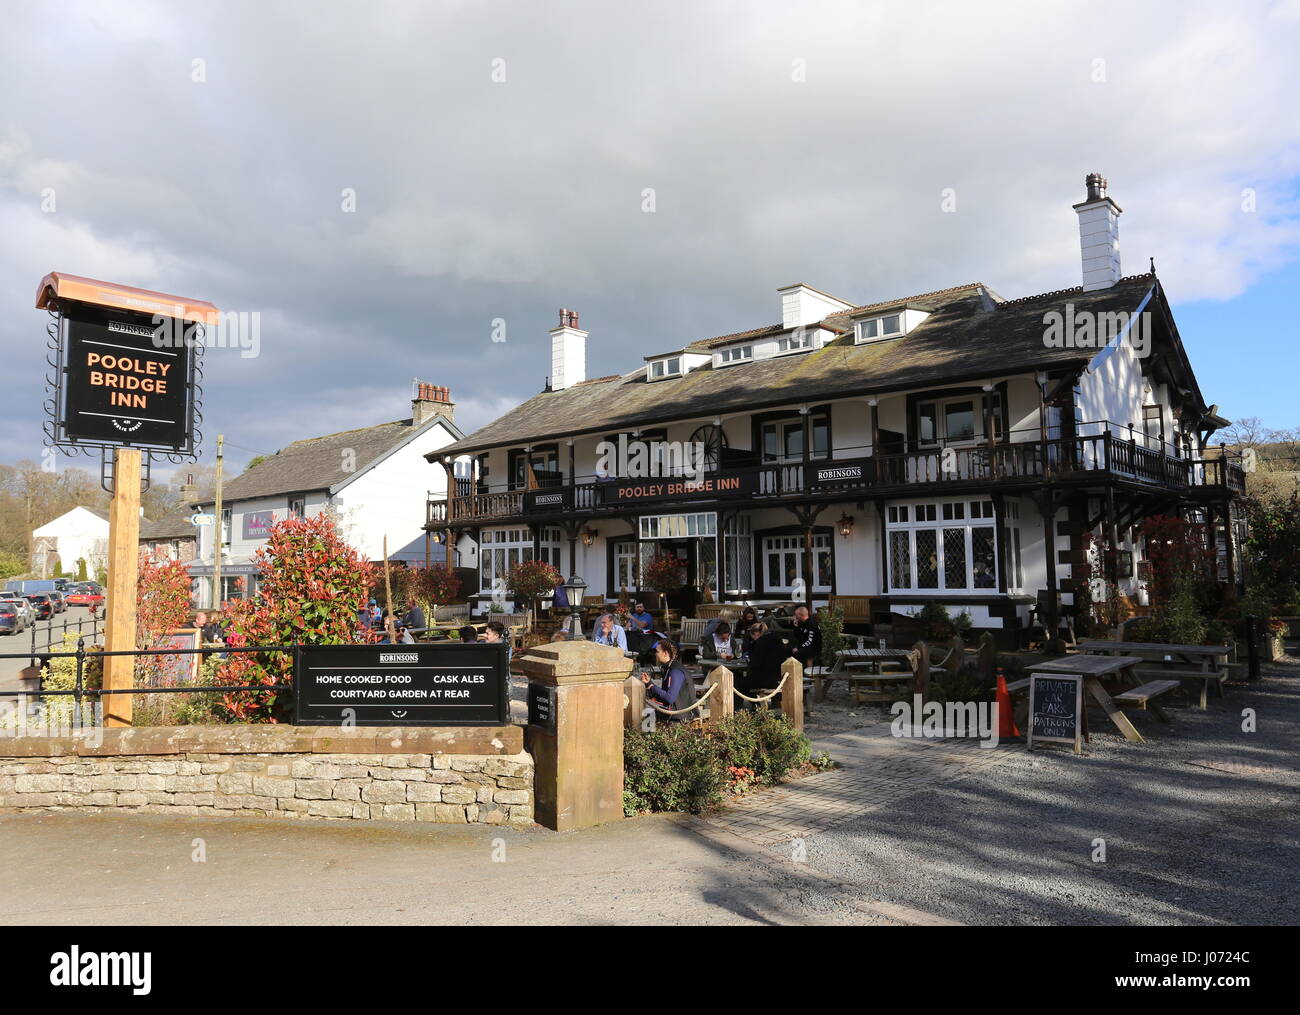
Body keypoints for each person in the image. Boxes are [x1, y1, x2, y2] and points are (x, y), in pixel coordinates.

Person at [640, 639, 695, 718]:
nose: (655, 654)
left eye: (657, 651)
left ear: (665, 653)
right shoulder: (669, 667)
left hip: (682, 717)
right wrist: (649, 683)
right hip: (674, 712)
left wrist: (651, 685)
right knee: (643, 709)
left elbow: (669, 698)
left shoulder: (675, 671)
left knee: (644, 714)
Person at [742, 622, 791, 707]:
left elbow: (755, 664)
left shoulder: (760, 643)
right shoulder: (778, 640)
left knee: (739, 683)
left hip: (766, 679)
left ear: (757, 634)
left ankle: (756, 707)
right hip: (779, 677)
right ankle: (775, 704)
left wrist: (749, 661)